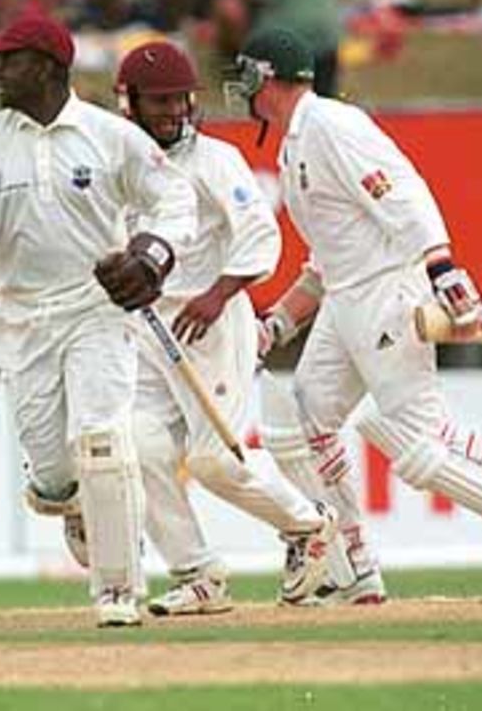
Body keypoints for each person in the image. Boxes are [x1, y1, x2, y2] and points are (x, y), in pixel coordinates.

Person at [224, 27, 482, 605]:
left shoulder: (331, 125)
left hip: (386, 295)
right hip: (347, 300)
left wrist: (441, 266)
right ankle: (350, 569)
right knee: (303, 422)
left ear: (268, 78)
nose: (242, 90)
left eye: (247, 77)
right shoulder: (294, 143)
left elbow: (405, 191)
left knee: (418, 442)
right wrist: (277, 324)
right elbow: (326, 262)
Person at [0, 13, 199, 627]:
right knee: (53, 470)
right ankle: (77, 502)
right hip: (22, 315)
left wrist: (151, 253)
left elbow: (174, 198)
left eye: (11, 60)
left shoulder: (109, 136)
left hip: (95, 305)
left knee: (103, 437)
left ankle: (118, 590)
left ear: (49, 67)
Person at [111, 40, 338, 615]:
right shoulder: (115, 165)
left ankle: (308, 526)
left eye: (178, 100)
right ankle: (198, 574)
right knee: (136, 448)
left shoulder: (212, 160)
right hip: (144, 326)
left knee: (214, 459)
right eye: (157, 102)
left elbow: (262, 234)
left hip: (208, 322)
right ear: (127, 102)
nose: (170, 112)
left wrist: (218, 295)